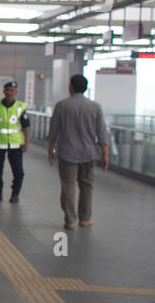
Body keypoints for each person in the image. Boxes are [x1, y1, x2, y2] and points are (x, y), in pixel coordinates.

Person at [47, 73, 110, 229]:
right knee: (87, 186)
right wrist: (105, 154)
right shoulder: (95, 107)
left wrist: (50, 150)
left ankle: (70, 220)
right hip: (89, 154)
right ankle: (85, 219)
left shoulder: (62, 106)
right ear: (86, 88)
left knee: (68, 186)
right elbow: (102, 133)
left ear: (71, 88)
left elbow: (53, 130)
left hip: (68, 153)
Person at [0, 80, 29, 203]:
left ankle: (15, 194)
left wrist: (26, 143)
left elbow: (26, 126)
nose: (9, 93)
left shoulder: (21, 107)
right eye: (7, 90)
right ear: (3, 91)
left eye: (12, 91)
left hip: (16, 144)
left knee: (18, 172)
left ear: (16, 92)